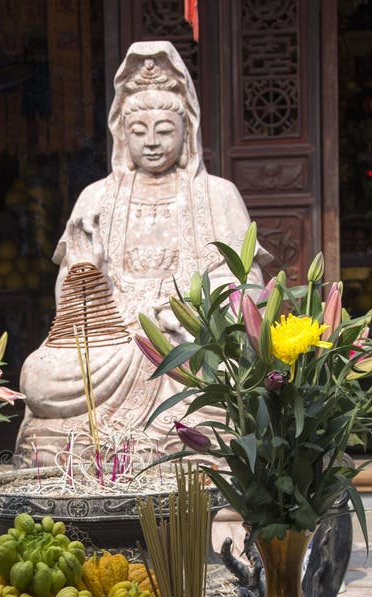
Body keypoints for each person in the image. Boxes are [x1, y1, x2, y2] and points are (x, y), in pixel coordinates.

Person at [15, 41, 270, 467]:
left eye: (165, 131)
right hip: (110, 347)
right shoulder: (95, 198)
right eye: (139, 131)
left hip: (186, 344)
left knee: (228, 374)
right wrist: (84, 271)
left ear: (186, 130)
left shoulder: (218, 195)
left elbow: (249, 290)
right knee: (39, 378)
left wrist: (192, 316)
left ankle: (167, 445)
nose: (152, 142)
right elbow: (68, 310)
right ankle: (169, 448)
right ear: (122, 133)